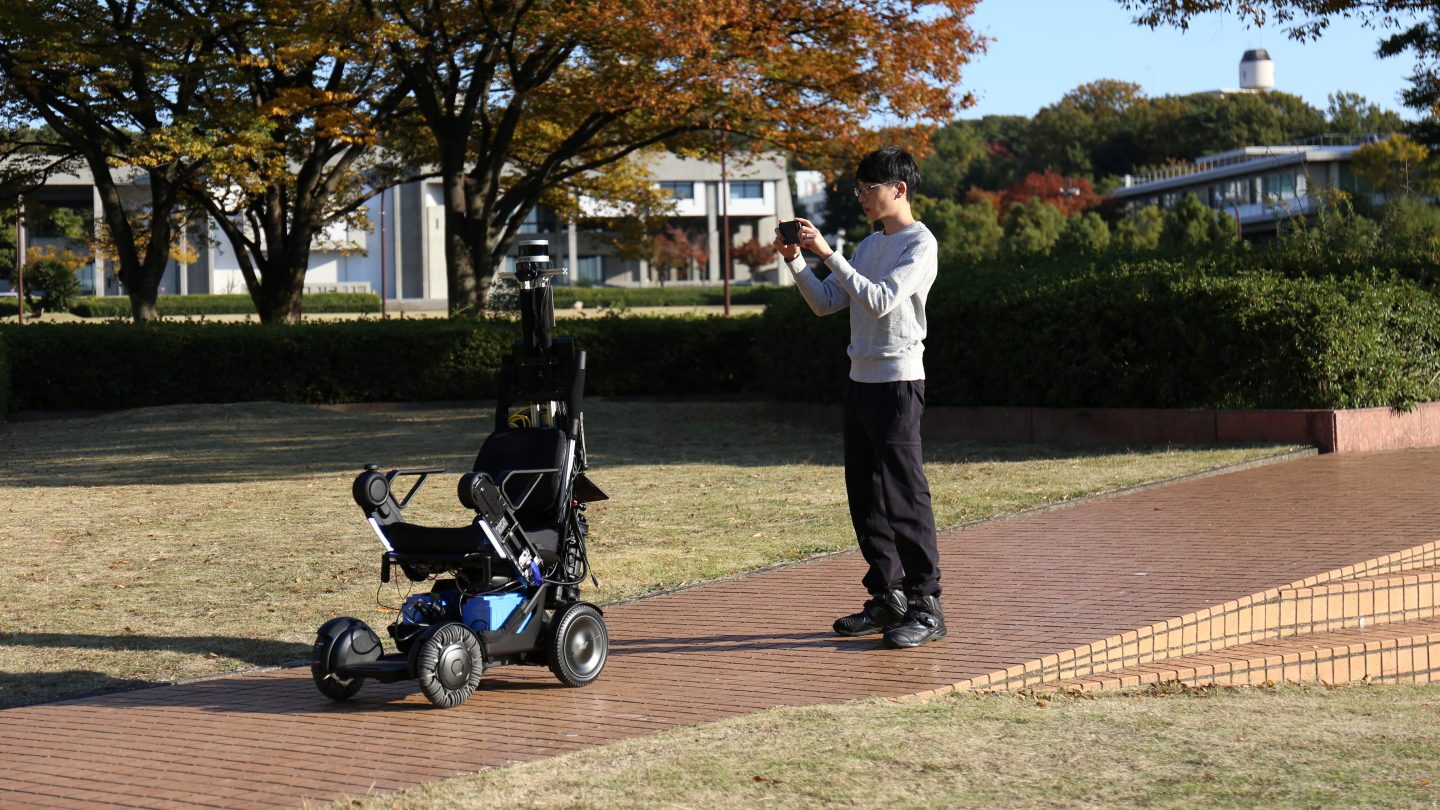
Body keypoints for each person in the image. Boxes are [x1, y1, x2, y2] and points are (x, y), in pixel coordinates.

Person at [772, 145, 944, 649]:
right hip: (861, 380)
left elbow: (882, 300)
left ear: (899, 189)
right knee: (866, 497)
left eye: (869, 188)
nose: (862, 197)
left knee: (905, 495)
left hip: (898, 382)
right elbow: (828, 303)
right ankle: (887, 598)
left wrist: (828, 253)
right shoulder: (869, 246)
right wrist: (798, 261)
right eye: (860, 189)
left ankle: (925, 605)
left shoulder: (920, 244)